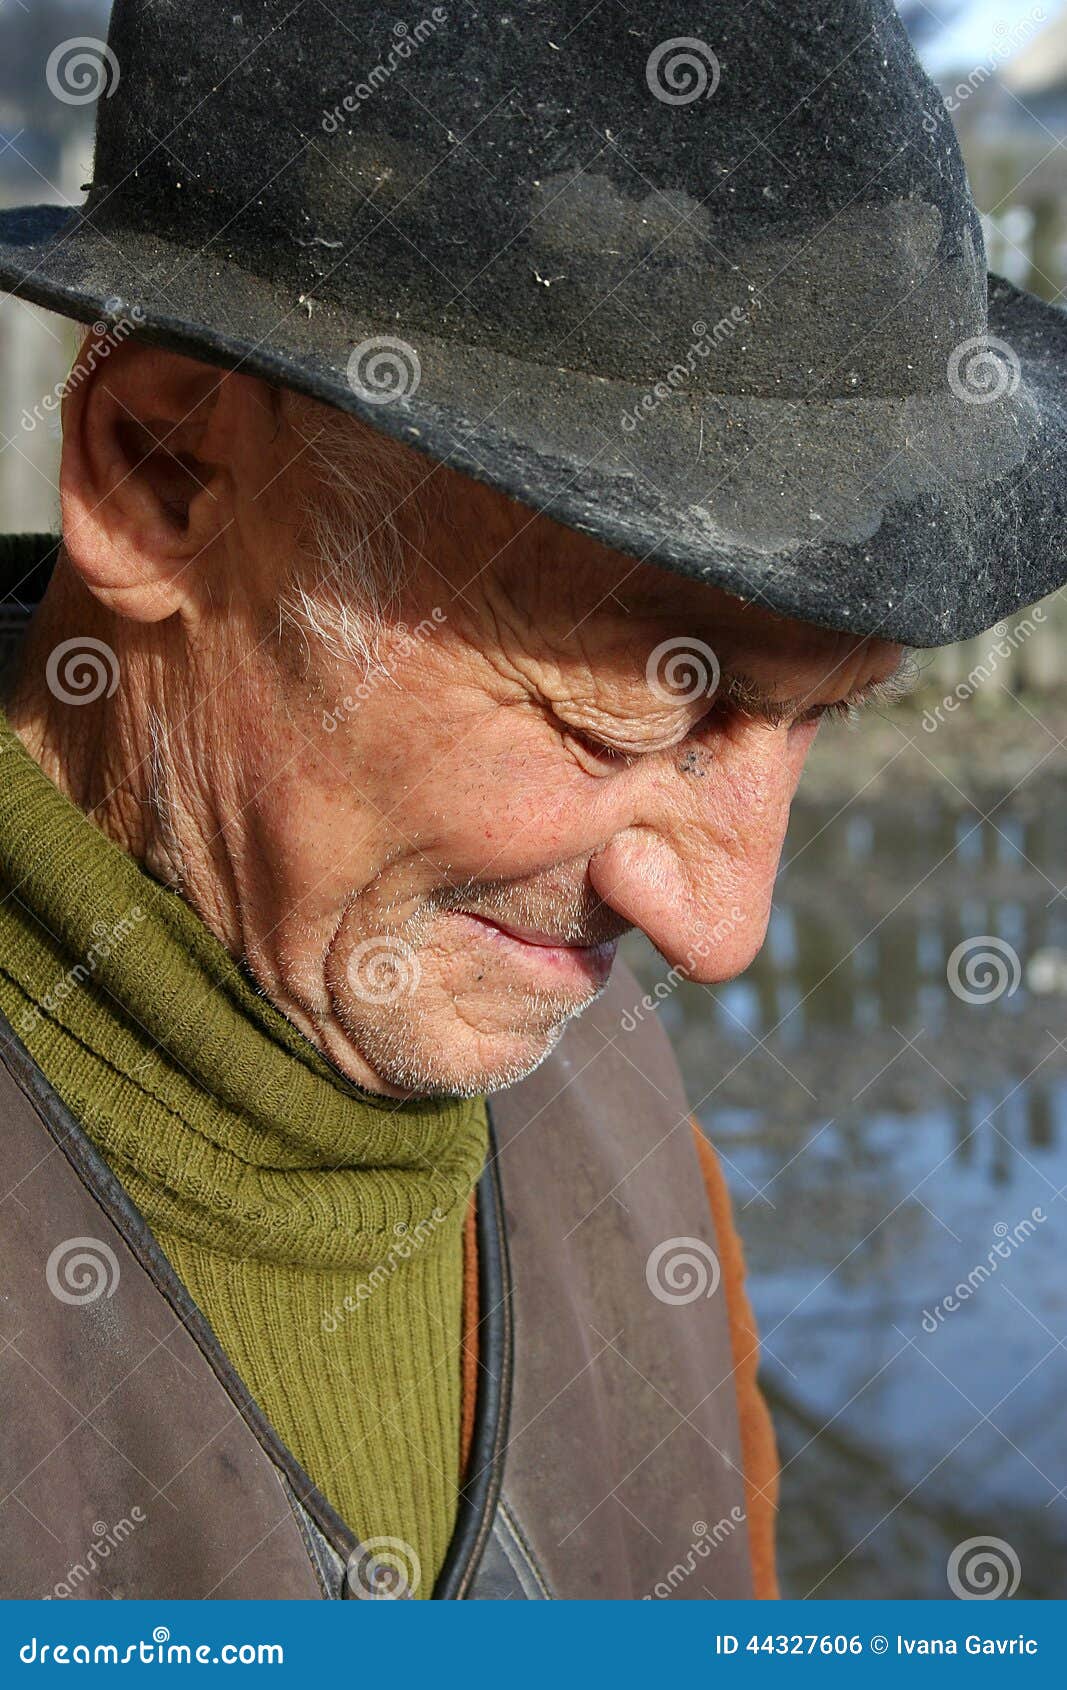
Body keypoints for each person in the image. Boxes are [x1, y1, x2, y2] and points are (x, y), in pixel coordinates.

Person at [0, 0, 1063, 1600]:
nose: (717, 930)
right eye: (632, 711)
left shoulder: (627, 1135)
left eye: (820, 718)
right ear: (163, 477)